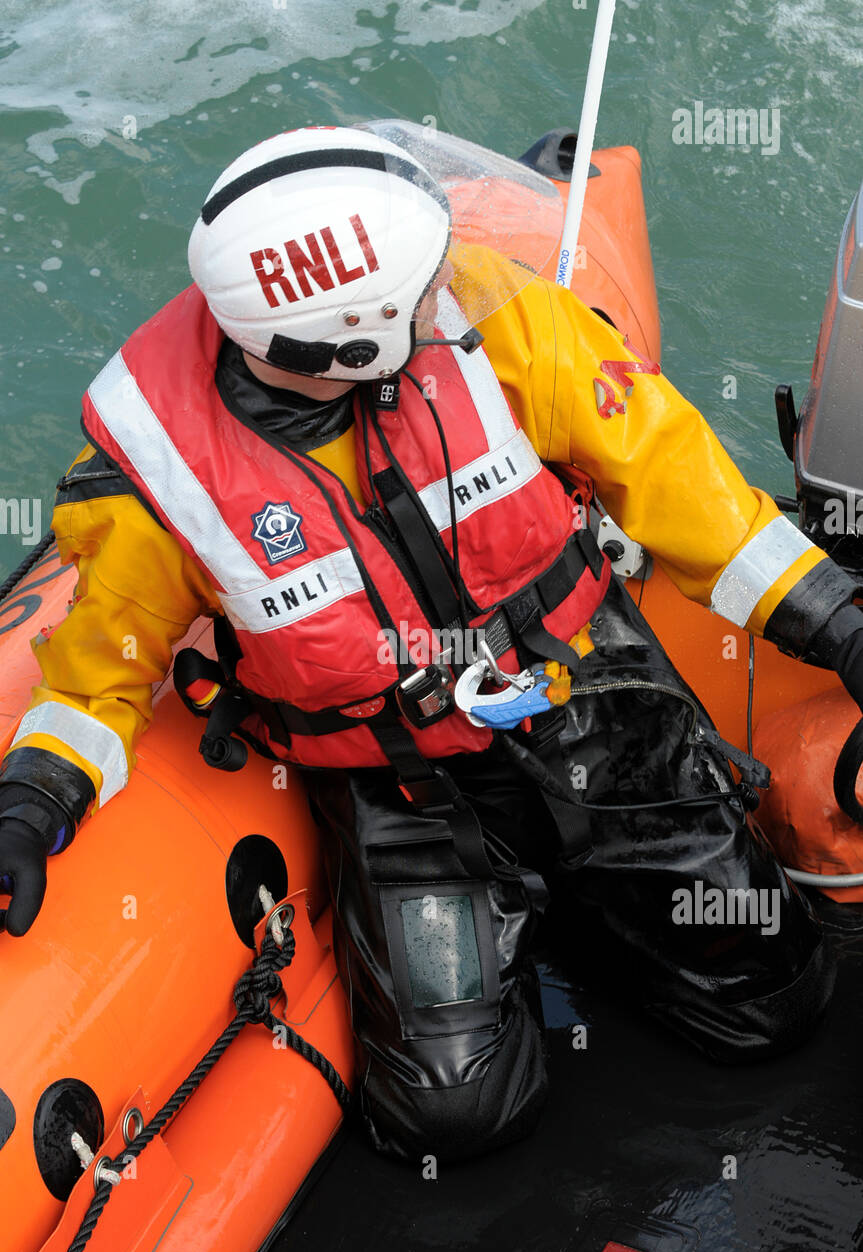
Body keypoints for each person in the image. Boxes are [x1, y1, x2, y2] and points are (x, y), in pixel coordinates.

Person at [0, 123, 860, 1162]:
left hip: (588, 701)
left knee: (772, 998)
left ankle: (590, 897)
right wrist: (35, 797)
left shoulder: (495, 320)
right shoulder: (158, 482)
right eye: (416, 292)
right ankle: (525, 911)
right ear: (349, 341)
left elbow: (673, 475)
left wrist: (834, 623)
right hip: (403, 789)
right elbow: (102, 667)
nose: (451, 286)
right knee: (453, 1114)